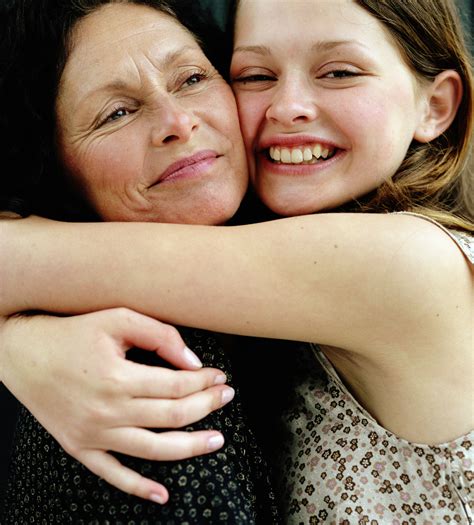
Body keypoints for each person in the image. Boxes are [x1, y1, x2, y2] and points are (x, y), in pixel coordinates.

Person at [1, 0, 473, 522]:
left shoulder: (408, 263)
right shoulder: (251, 275)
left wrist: (18, 344)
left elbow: (15, 260)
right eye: (255, 74)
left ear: (435, 106)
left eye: (339, 72)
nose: (286, 106)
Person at [0, 0, 281, 523]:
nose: (177, 122)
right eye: (117, 113)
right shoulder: (140, 380)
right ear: (52, 167)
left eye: (193, 78)